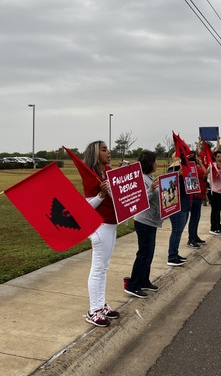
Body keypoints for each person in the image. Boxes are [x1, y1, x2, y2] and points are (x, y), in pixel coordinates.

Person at [82, 140, 120, 327]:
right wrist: (101, 195)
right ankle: (93, 310)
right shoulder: (91, 177)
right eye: (104, 150)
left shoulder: (107, 171)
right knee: (97, 269)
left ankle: (100, 304)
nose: (109, 152)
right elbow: (87, 207)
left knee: (104, 267)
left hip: (111, 223)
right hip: (100, 226)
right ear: (96, 153)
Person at [124, 151, 161, 298]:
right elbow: (140, 199)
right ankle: (133, 285)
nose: (157, 164)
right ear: (149, 163)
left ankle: (144, 280)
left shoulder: (149, 177)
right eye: (155, 161)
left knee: (149, 253)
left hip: (151, 221)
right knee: (144, 253)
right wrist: (151, 189)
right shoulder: (141, 179)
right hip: (143, 221)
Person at [166, 153, 192, 267]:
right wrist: (179, 175)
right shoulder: (172, 173)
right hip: (177, 206)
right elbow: (169, 188)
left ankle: (175, 253)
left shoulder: (185, 172)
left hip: (185, 205)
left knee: (179, 231)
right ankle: (172, 256)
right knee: (176, 231)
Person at [187, 146, 208, 248]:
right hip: (196, 196)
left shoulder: (191, 168)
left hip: (199, 195)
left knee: (196, 217)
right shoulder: (195, 168)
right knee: (194, 217)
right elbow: (205, 172)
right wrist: (200, 163)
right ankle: (191, 238)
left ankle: (194, 236)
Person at [207, 150, 221, 235]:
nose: (219, 158)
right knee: (214, 209)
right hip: (214, 190)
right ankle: (213, 227)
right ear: (215, 157)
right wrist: (219, 171)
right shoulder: (212, 166)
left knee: (218, 210)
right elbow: (213, 178)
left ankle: (219, 226)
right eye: (218, 156)